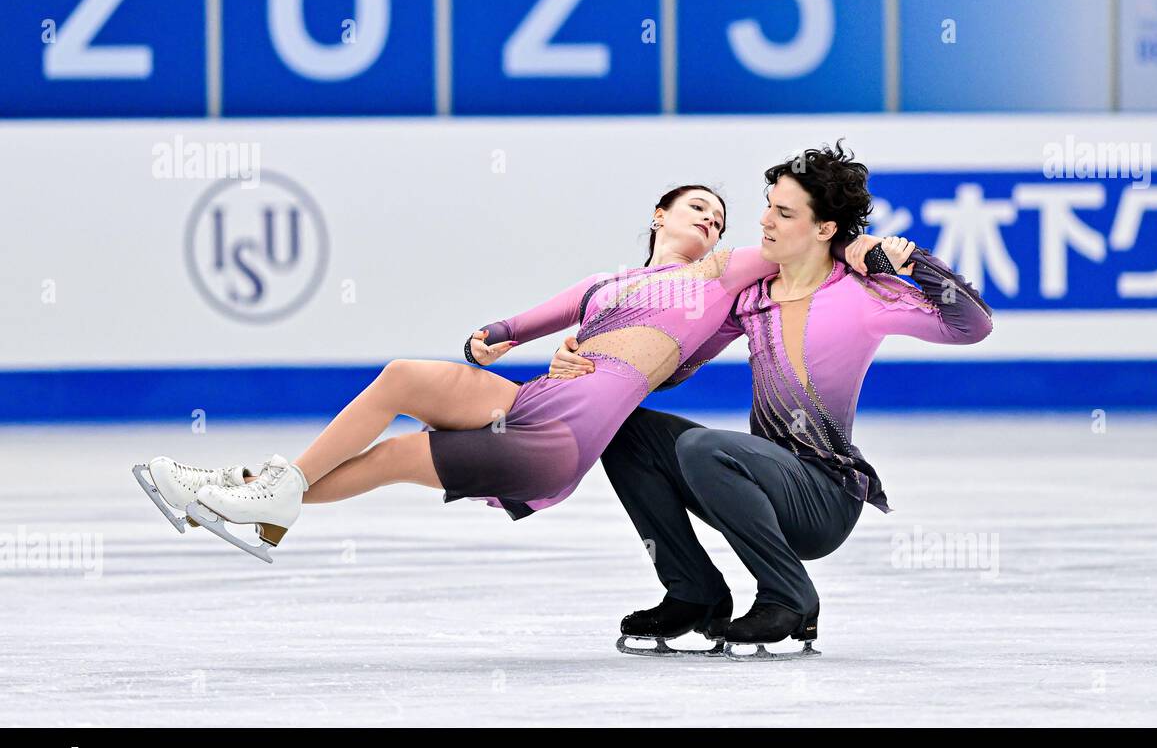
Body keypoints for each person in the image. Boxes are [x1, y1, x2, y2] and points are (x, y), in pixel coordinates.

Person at [135, 179, 882, 563]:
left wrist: (857, 245)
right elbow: (511, 330)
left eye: (720, 219)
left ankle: (261, 502)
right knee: (400, 375)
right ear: (659, 213)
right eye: (698, 208)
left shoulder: (718, 281)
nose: (713, 222)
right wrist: (487, 339)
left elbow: (798, 244)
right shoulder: (605, 284)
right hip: (534, 396)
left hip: (558, 438)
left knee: (397, 455)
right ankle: (264, 499)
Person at [546, 143, 994, 657]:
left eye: (783, 213)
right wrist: (589, 357)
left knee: (703, 448)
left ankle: (789, 597)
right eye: (768, 206)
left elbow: (972, 324)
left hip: (825, 496)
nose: (764, 222)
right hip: (758, 485)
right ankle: (693, 590)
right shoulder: (750, 299)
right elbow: (668, 370)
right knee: (625, 430)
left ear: (825, 229)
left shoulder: (865, 291)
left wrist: (913, 259)